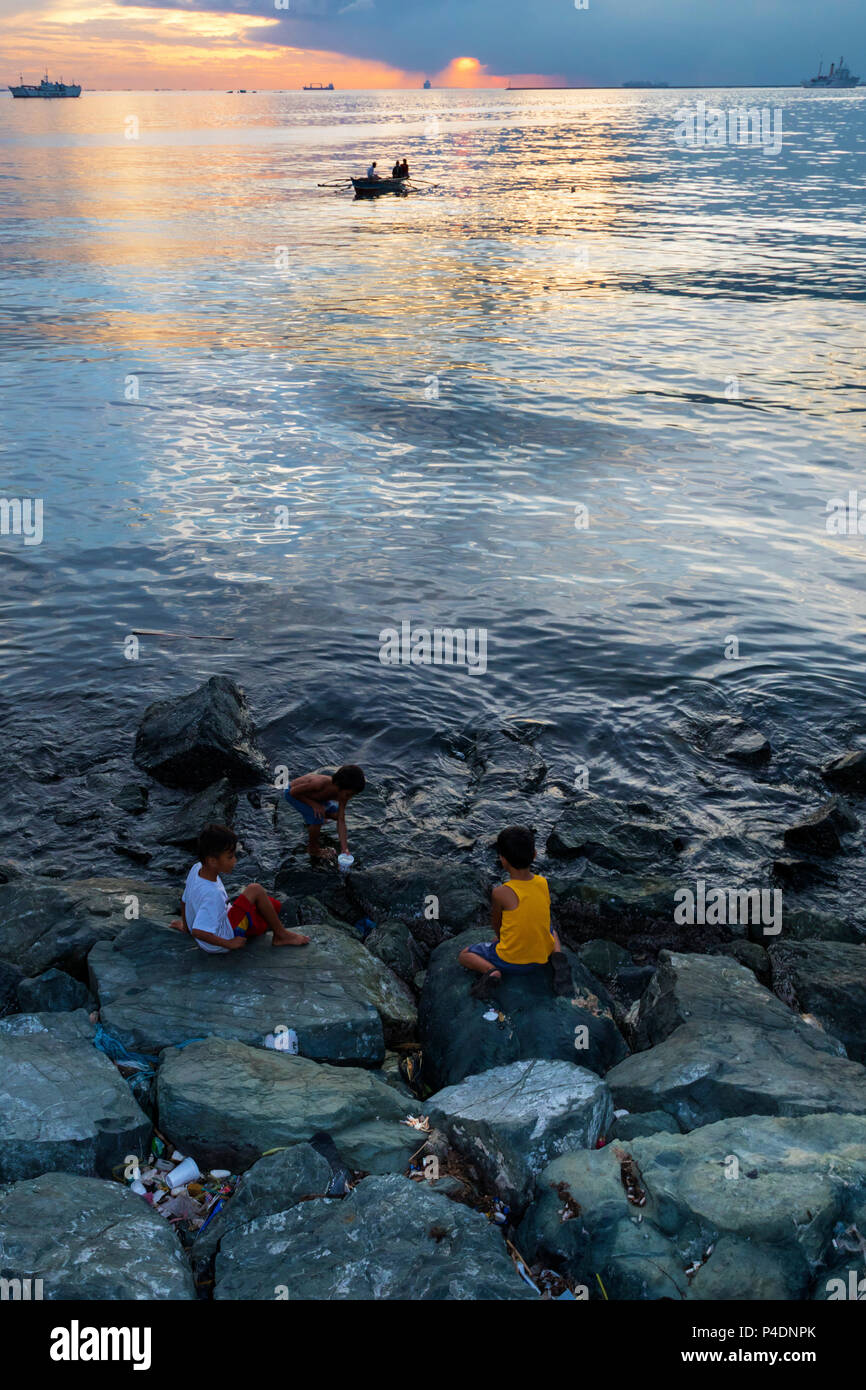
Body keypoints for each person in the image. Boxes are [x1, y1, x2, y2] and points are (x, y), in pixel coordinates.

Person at [458, 824, 573, 999]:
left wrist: (500, 939)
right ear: (534, 855)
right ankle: (558, 956)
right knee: (551, 928)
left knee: (464, 955)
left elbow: (496, 924)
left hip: (510, 961)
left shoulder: (500, 892)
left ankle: (491, 971)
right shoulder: (543, 882)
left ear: (502, 860)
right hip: (541, 957)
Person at [170, 823, 309, 951]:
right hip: (224, 939)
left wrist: (186, 926)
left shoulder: (196, 868)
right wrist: (230, 944)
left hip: (220, 926)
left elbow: (185, 901)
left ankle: (278, 932)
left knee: (266, 905)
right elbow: (199, 932)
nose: (235, 861)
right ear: (212, 861)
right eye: (230, 857)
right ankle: (281, 935)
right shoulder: (213, 894)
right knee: (256, 890)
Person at [284, 764, 366, 861]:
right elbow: (293, 792)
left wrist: (345, 849)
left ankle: (312, 819)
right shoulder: (319, 784)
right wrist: (314, 805)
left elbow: (341, 819)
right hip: (295, 794)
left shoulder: (344, 793)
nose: (349, 798)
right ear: (338, 785)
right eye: (348, 794)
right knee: (318, 818)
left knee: (337, 815)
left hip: (317, 799)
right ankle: (313, 849)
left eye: (353, 795)